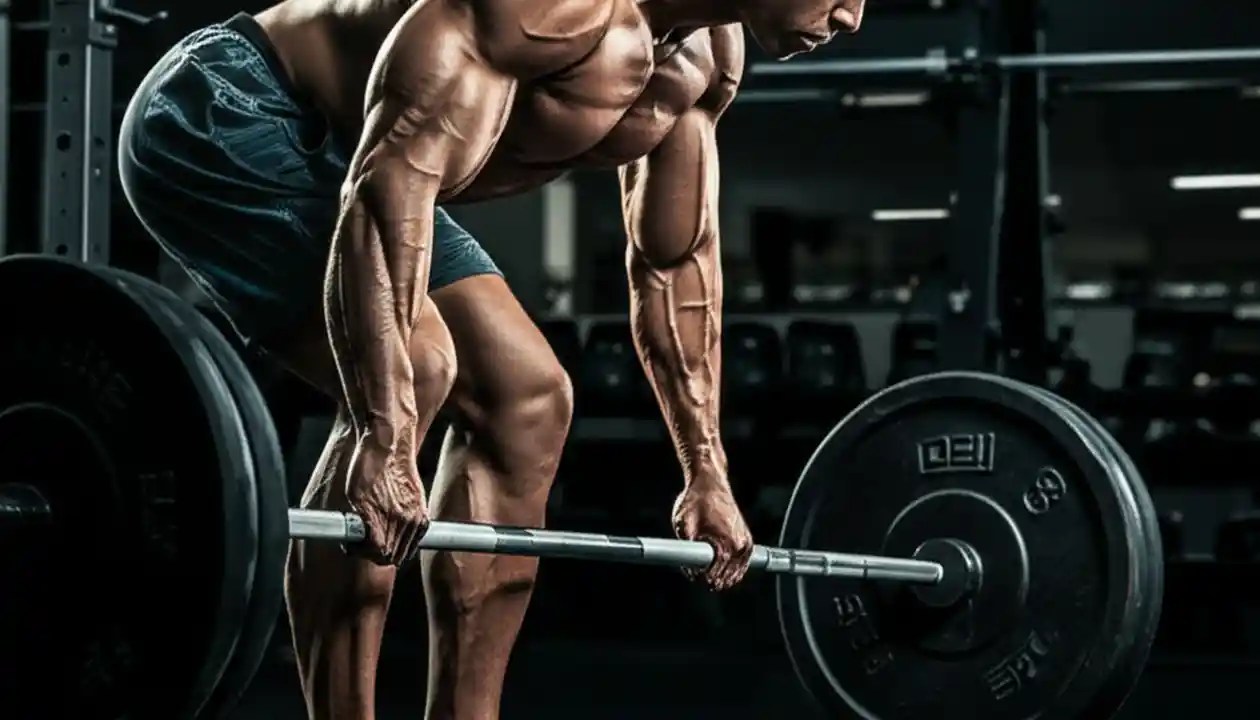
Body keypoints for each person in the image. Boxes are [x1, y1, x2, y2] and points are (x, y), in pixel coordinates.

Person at [117, 0, 865, 716]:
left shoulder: (705, 62)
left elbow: (674, 264)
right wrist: (383, 431)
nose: (850, 16)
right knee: (420, 367)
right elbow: (391, 182)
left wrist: (707, 471)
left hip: (372, 156)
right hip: (227, 106)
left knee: (532, 401)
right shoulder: (546, 8)